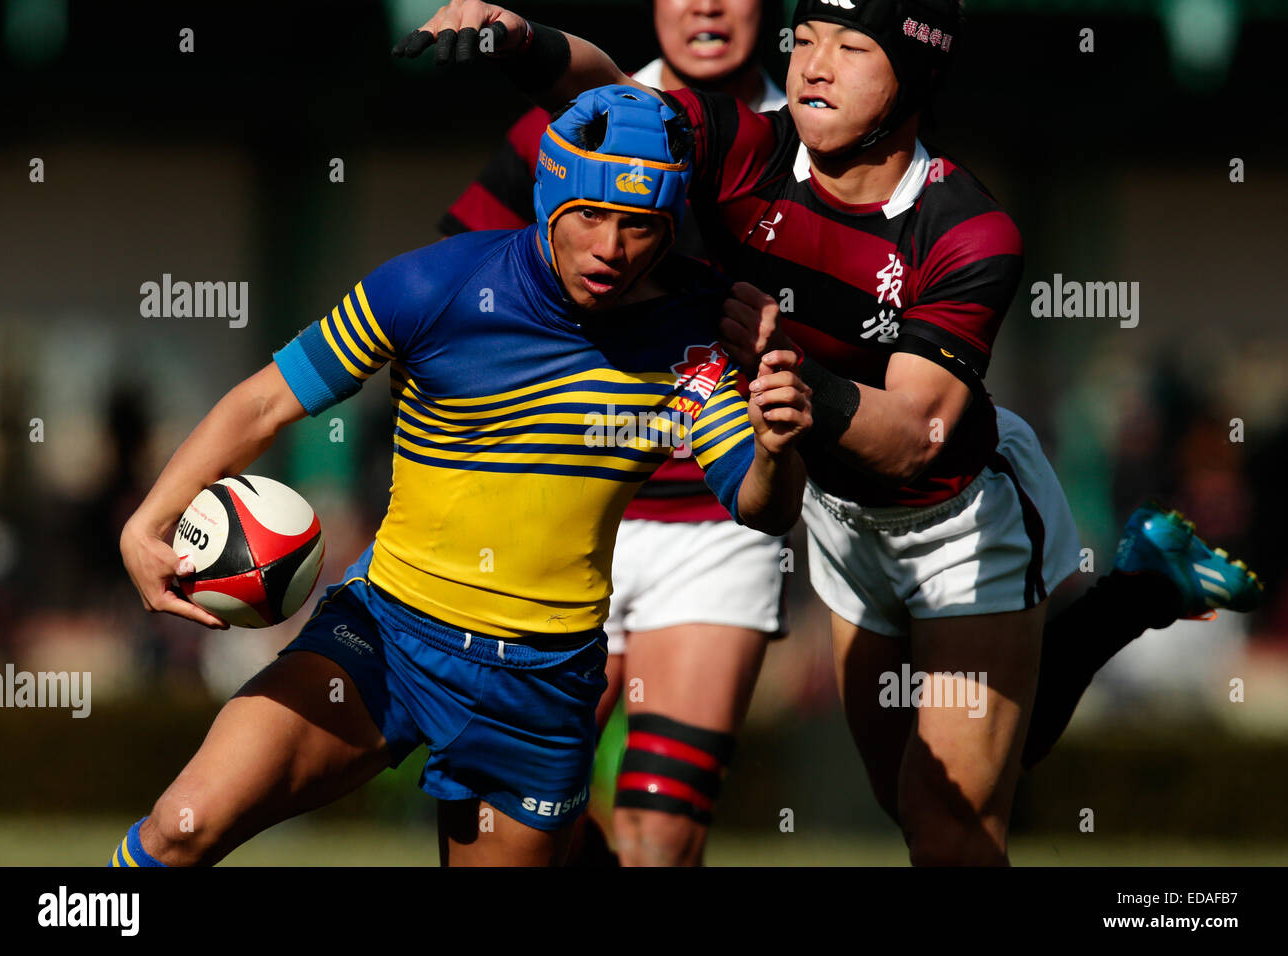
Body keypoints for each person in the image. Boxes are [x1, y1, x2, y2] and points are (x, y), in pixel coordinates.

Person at [393, 0, 1264, 864]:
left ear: (916, 73)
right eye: (806, 41)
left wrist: (791, 372)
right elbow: (614, 97)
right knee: (916, 796)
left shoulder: (967, 228)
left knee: (949, 824)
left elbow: (915, 432)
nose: (814, 65)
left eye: (851, 47)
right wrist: (515, 37)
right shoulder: (744, 148)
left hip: (964, 521)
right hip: (840, 527)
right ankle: (1137, 594)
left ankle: (1131, 597)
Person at [108, 85, 812, 867]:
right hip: (383, 637)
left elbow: (760, 507)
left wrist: (778, 447)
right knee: (182, 825)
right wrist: (149, 520)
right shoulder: (431, 287)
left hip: (540, 690)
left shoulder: (695, 331)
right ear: (547, 195)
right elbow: (265, 404)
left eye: (639, 225)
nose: (610, 248)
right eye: (588, 215)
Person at [442, 0, 789, 868]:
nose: (705, 4)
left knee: (659, 830)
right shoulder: (580, 123)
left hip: (712, 524)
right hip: (563, 507)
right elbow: (465, 275)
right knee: (513, 826)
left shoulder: (805, 143)